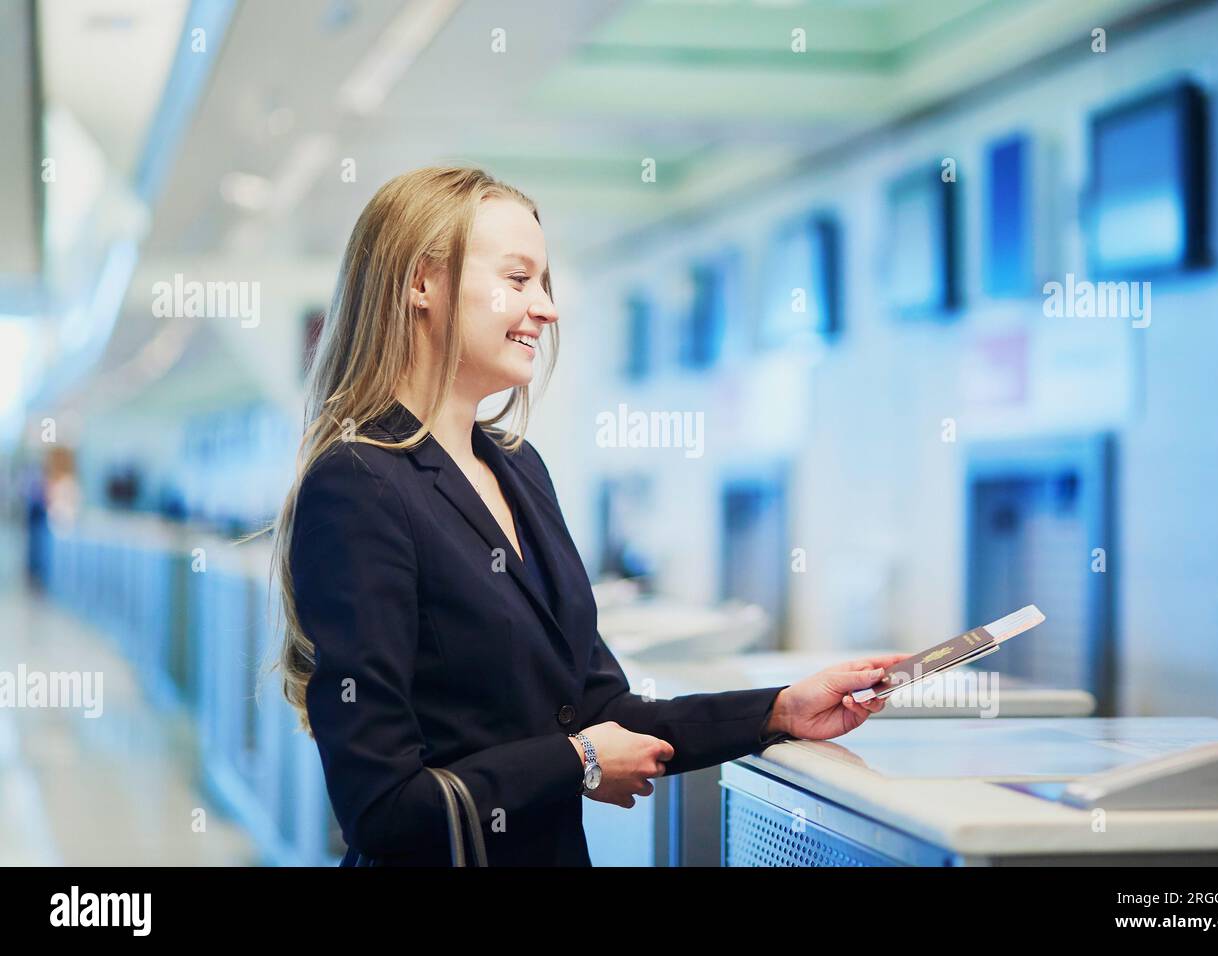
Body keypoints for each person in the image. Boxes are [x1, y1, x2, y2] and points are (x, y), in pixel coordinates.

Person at [267, 166, 907, 866]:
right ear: (422, 283)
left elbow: (602, 711)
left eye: (544, 283)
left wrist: (780, 710)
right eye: (517, 280)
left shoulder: (519, 469)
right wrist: (577, 762)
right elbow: (382, 811)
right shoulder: (360, 485)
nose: (546, 308)